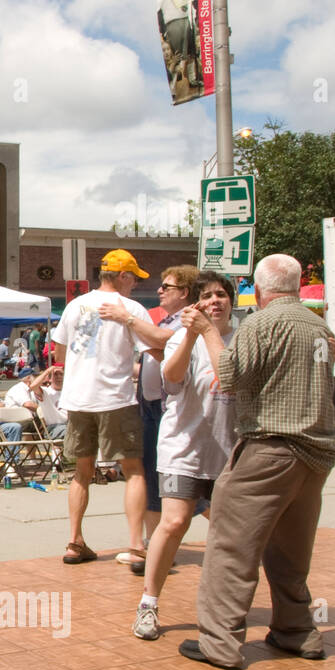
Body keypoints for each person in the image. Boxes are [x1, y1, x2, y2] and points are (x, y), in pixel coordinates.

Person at [180, 255, 335, 670]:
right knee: (291, 551)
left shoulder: (262, 323)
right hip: (317, 453)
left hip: (271, 448)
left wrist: (207, 332)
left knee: (231, 545)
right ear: (299, 284)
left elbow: (229, 376)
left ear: (259, 287)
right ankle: (297, 630)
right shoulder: (318, 326)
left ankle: (219, 642)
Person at [132, 272, 237, 640]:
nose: (214, 302)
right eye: (207, 296)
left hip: (228, 450)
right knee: (175, 522)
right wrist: (192, 334)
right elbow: (172, 377)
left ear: (231, 302)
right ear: (196, 303)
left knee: (229, 532)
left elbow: (231, 380)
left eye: (221, 295)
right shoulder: (181, 336)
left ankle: (221, 610)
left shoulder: (242, 339)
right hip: (183, 447)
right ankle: (148, 603)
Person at [50, 249, 153, 565]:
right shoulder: (131, 308)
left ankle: (74, 541)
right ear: (122, 276)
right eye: (133, 278)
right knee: (133, 470)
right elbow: (153, 345)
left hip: (79, 398)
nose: (134, 284)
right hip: (115, 398)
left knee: (81, 473)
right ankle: (136, 546)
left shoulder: (75, 305)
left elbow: (59, 352)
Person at [100, 264, 199, 559]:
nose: (159, 290)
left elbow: (163, 343)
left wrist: (126, 318)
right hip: (152, 405)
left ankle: (155, 546)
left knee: (168, 481)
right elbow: (156, 350)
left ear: (184, 292)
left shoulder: (187, 321)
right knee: (154, 479)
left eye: (166, 287)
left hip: (166, 407)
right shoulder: (169, 319)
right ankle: (151, 544)